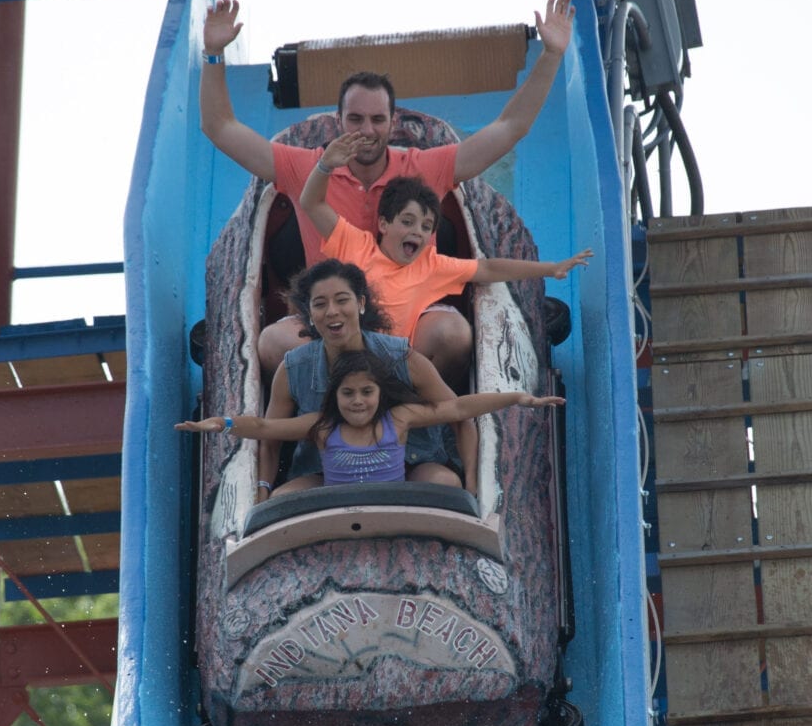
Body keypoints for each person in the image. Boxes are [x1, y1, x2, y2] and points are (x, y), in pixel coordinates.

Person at [198, 0, 575, 373]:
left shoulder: (424, 168)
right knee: (272, 343)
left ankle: (423, 413)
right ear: (339, 121)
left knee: (454, 334)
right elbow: (220, 128)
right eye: (356, 119)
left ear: (393, 122)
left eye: (378, 120)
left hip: (409, 327)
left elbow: (510, 128)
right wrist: (213, 54)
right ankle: (326, 414)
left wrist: (550, 55)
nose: (367, 130)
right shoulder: (307, 167)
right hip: (331, 328)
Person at [298, 147, 591, 374]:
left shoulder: (431, 264)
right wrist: (325, 164)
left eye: (426, 227)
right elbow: (311, 202)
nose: (417, 231)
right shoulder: (355, 244)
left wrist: (550, 269)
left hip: (392, 370)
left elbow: (488, 268)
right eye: (408, 221)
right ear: (384, 224)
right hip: (343, 362)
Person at [178, 351, 563, 488]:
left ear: (380, 394)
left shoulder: (401, 418)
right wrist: (222, 424)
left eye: (366, 392)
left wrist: (518, 397)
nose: (358, 402)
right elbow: (263, 428)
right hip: (338, 512)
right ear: (335, 397)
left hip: (388, 507)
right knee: (280, 500)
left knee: (444, 488)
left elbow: (458, 408)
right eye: (348, 393)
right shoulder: (323, 427)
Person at [259, 257, 472, 500]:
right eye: (320, 304)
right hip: (328, 472)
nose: (332, 311)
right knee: (282, 499)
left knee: (445, 484)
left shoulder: (401, 357)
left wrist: (474, 486)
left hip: (407, 464)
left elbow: (460, 416)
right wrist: (261, 489)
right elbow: (269, 438)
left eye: (342, 300)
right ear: (308, 313)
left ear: (360, 303)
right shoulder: (293, 368)